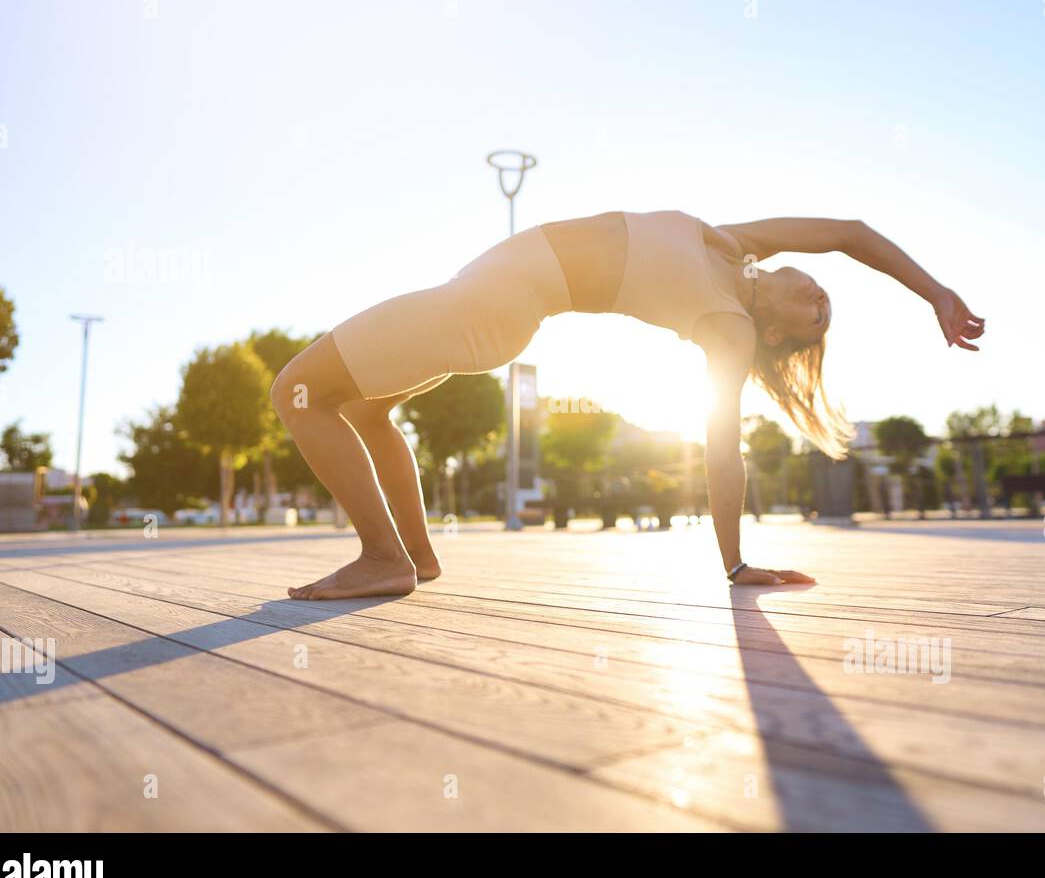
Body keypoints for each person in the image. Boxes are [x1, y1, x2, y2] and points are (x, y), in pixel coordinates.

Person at [271, 210, 984, 598]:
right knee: (365, 411)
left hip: (487, 306)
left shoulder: (730, 326)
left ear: (773, 333)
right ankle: (416, 557)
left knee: (295, 393)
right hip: (483, 297)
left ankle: (381, 556)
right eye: (823, 298)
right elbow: (848, 234)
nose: (821, 300)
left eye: (817, 319)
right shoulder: (731, 244)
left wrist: (736, 565)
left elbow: (723, 450)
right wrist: (936, 294)